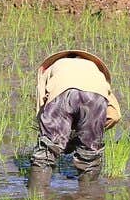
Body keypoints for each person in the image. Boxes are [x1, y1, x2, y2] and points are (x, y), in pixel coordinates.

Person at [28, 49, 121, 188]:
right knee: (90, 155)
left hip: (62, 94)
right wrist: (84, 135)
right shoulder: (96, 71)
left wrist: (56, 135)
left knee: (46, 153)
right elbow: (115, 115)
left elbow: (42, 107)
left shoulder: (54, 67)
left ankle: (37, 198)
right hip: (95, 97)